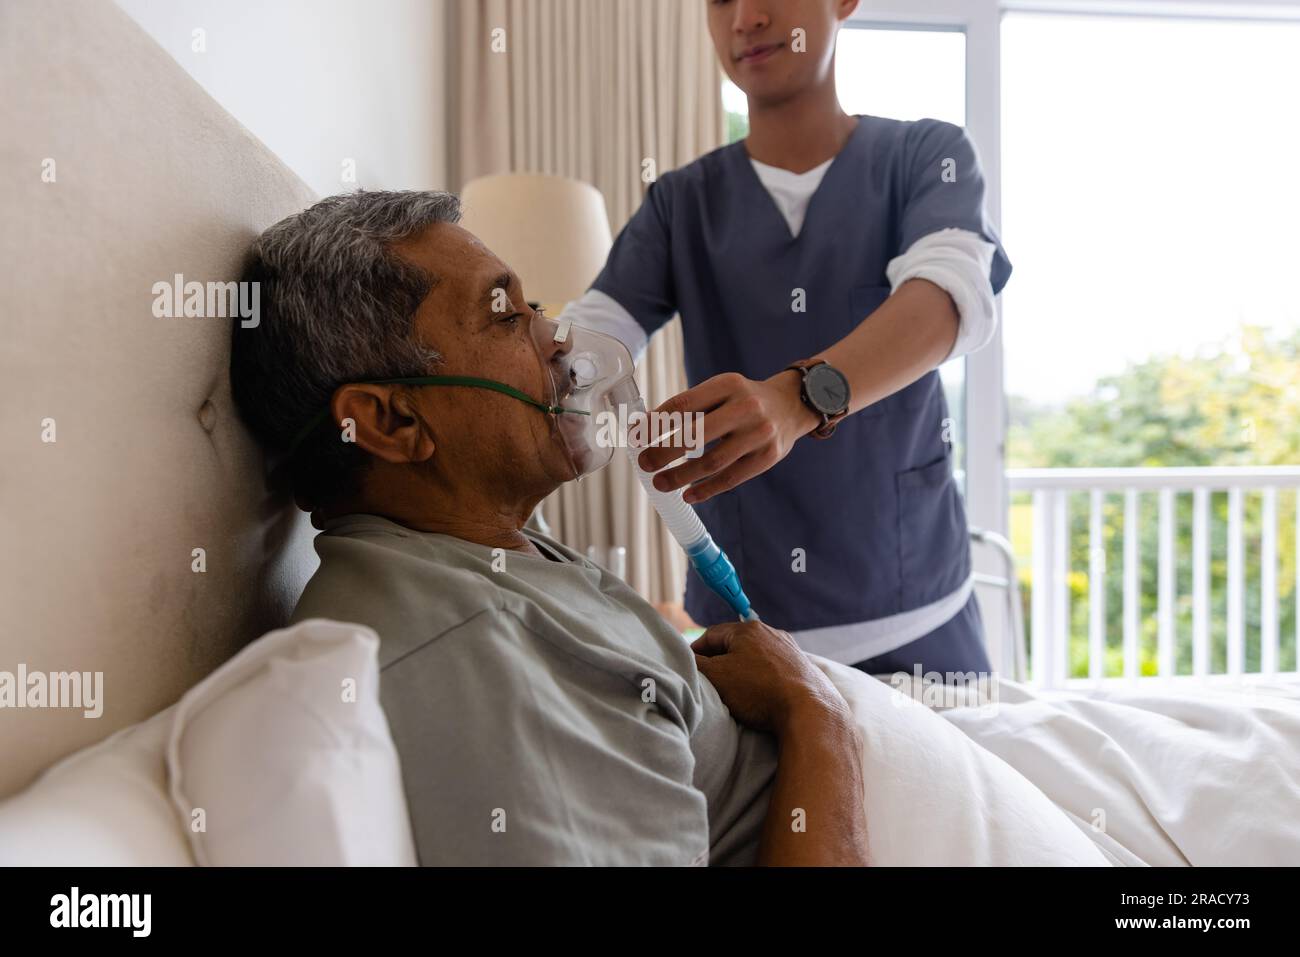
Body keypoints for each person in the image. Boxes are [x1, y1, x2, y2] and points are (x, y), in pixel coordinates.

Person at [230, 189, 868, 866]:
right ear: (391, 422)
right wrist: (818, 715)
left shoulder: (480, 543)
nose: (558, 337)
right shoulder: (477, 657)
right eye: (504, 314)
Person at [562, 0, 1012, 676]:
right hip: (748, 636)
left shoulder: (926, 157)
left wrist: (799, 398)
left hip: (919, 621)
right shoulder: (681, 204)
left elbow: (949, 298)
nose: (745, 17)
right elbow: (592, 336)